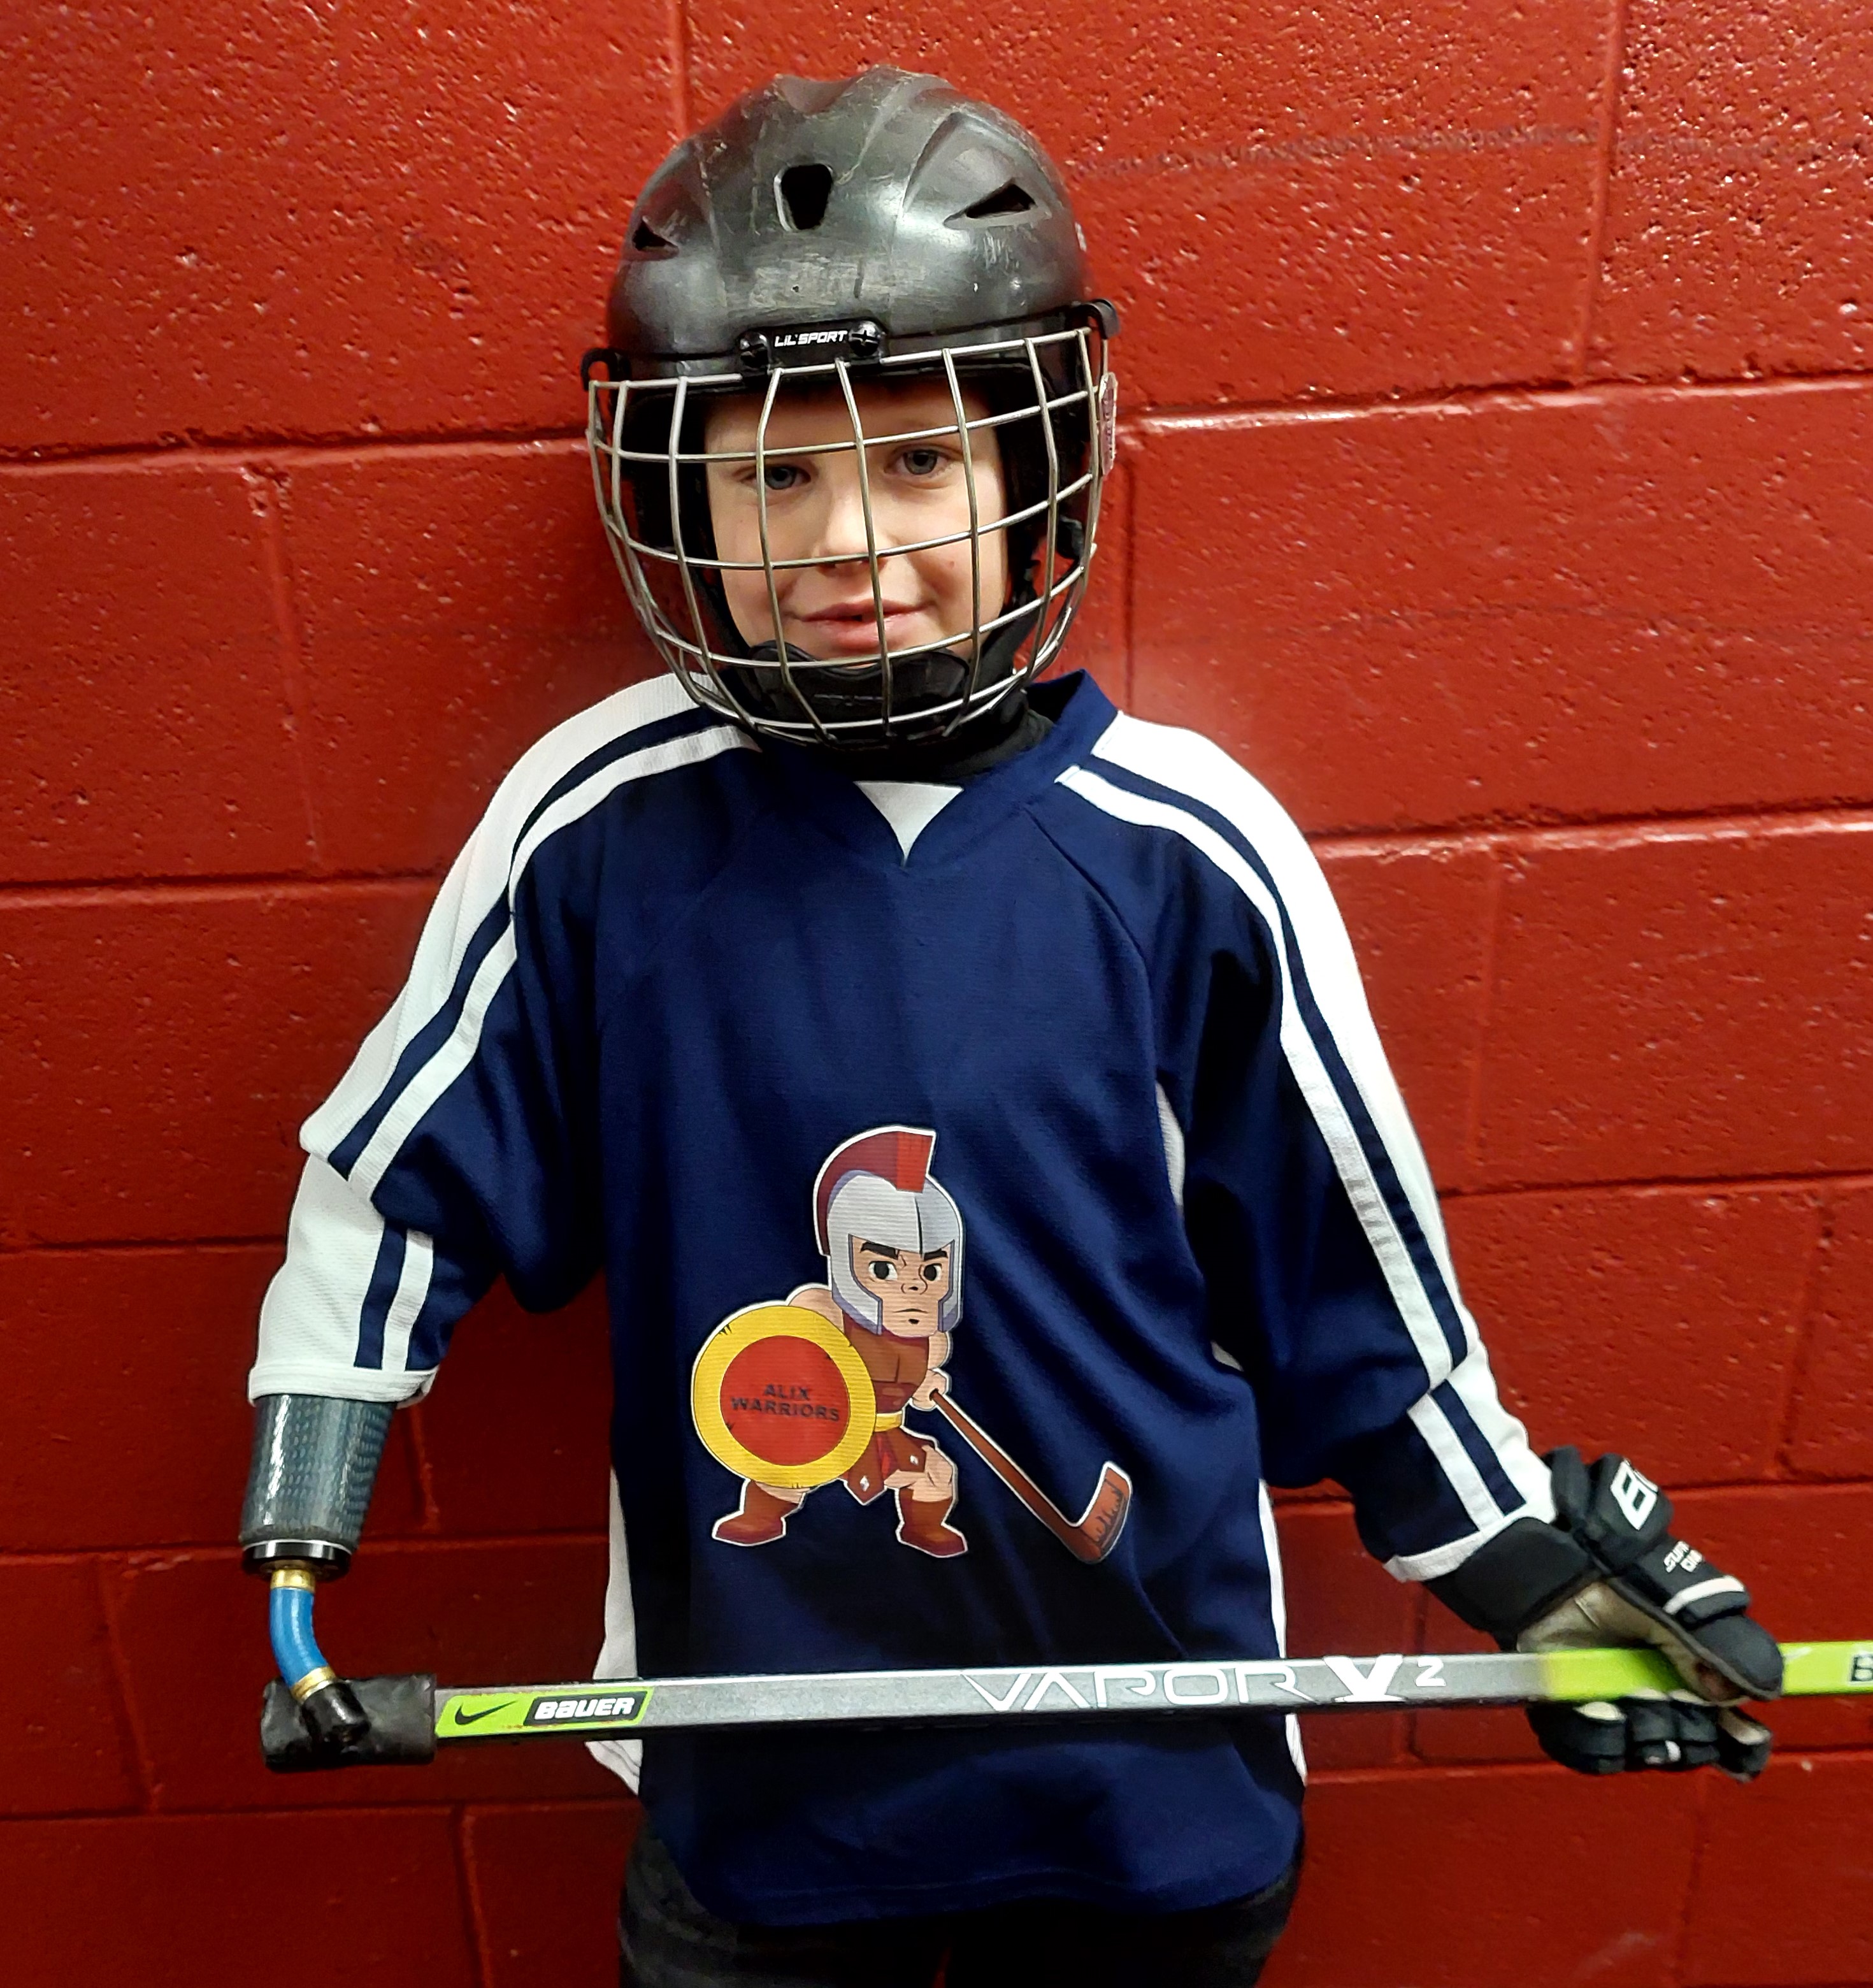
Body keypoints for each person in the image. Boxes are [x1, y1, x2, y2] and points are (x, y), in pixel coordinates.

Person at [238, 68, 1783, 1988]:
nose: (843, 538)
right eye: (771, 473)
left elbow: (1358, 1298)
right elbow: (389, 1195)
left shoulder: (1184, 849)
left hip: (1147, 1802)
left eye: (910, 462)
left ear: (1029, 460)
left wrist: (1528, 1574)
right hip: (761, 1825)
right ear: (675, 495)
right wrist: (303, 1554)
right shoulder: (595, 831)